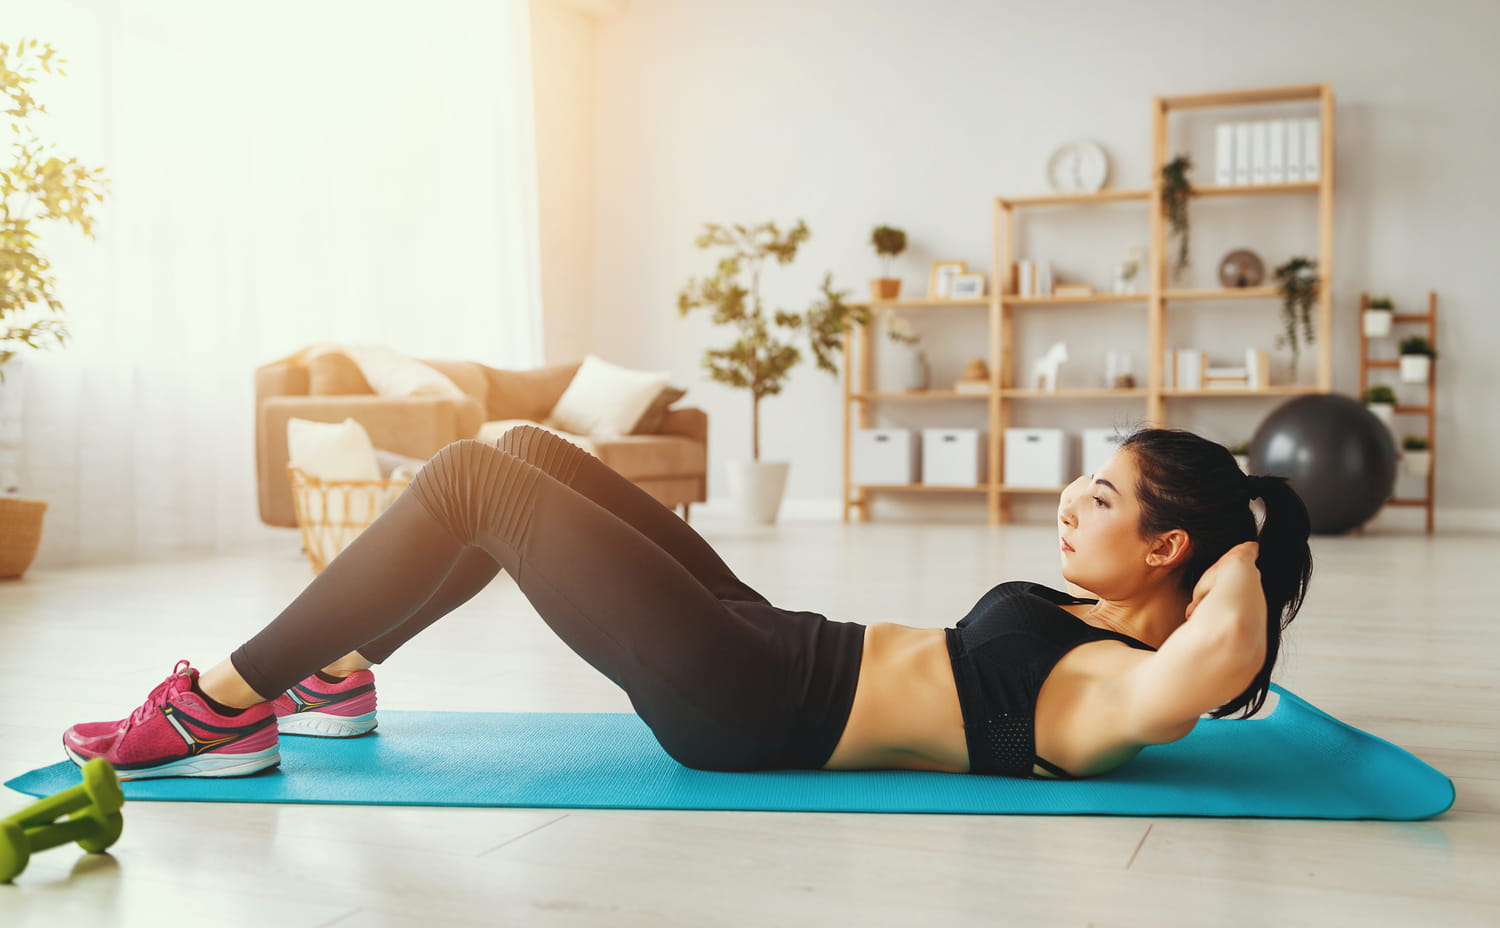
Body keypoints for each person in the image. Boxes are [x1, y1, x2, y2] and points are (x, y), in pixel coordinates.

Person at [64, 424, 1311, 781]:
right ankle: (334, 666)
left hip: (753, 705)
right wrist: (1220, 557)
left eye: (1101, 498)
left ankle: (222, 706)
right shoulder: (1098, 629)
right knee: (525, 446)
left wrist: (1242, 554)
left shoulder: (1108, 696)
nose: (1071, 508)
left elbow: (1213, 661)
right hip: (773, 644)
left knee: (465, 480)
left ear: (1170, 547)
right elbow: (1203, 632)